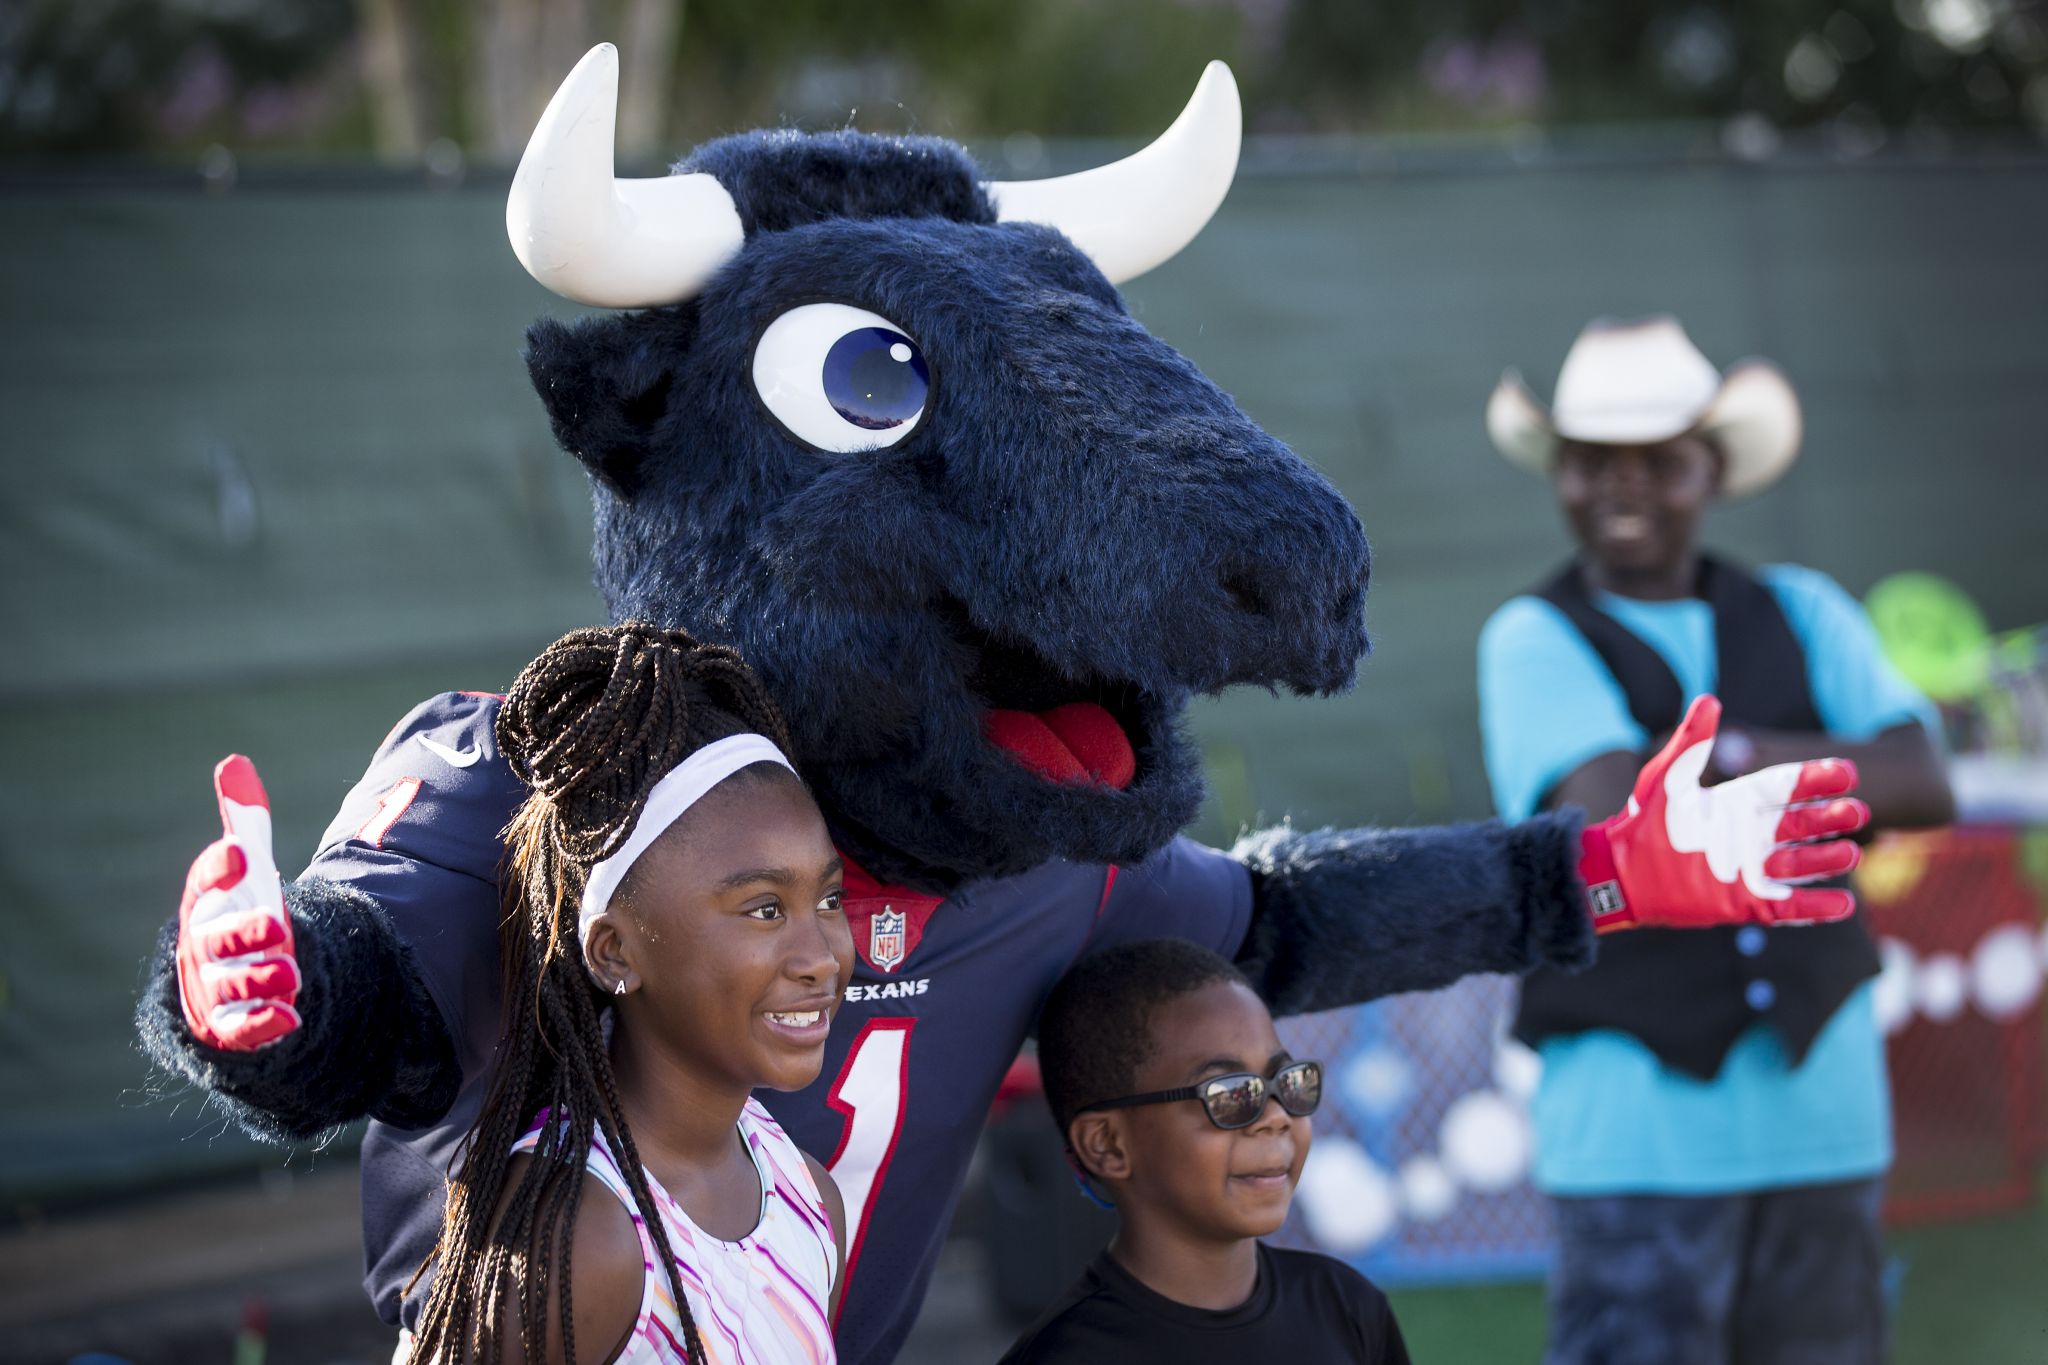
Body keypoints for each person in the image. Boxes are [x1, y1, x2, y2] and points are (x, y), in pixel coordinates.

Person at [140, 48, 1867, 1365]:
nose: (814, 942)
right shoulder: (565, 791)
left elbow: (1277, 918)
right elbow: (356, 1009)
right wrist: (253, 996)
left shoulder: (1033, 832)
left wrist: (1615, 871)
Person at [1479, 315, 1956, 1364]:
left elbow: (1921, 780)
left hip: (1822, 1115)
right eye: (1592, 462)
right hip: (1630, 1133)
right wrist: (1830, 766)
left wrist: (1722, 746)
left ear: (1713, 472)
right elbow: (1613, 810)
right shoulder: (1527, 637)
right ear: (1558, 473)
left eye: (1660, 461)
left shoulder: (1806, 607)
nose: (1624, 486)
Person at [392, 622, 845, 1365]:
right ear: (614, 952)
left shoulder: (809, 1197)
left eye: (828, 899)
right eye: (764, 908)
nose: (821, 956)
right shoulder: (578, 1239)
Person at [999, 938, 1411, 1365]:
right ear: (1108, 1144)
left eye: (1287, 1081)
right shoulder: (1066, 1356)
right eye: (1231, 1094)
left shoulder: (1346, 1306)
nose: (1277, 1117)